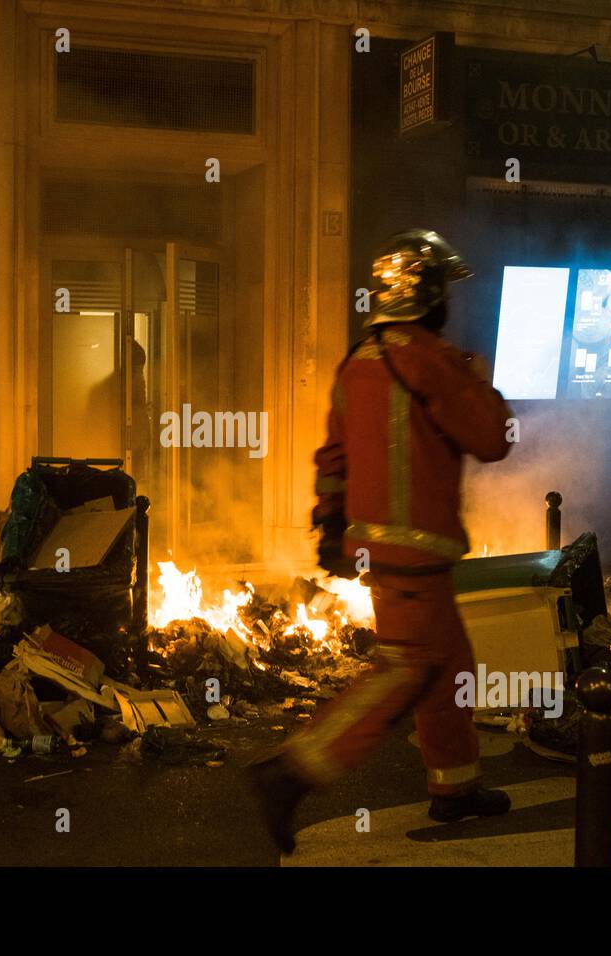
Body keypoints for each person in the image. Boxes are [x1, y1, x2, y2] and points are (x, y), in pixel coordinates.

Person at [249, 229, 516, 855]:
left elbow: (331, 456)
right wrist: (482, 380)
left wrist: (329, 526)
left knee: (449, 669)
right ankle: (292, 771)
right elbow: (494, 439)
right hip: (417, 554)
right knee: (402, 673)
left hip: (381, 550)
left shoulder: (358, 360)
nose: (450, 301)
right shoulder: (433, 358)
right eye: (444, 289)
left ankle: (455, 789)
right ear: (427, 297)